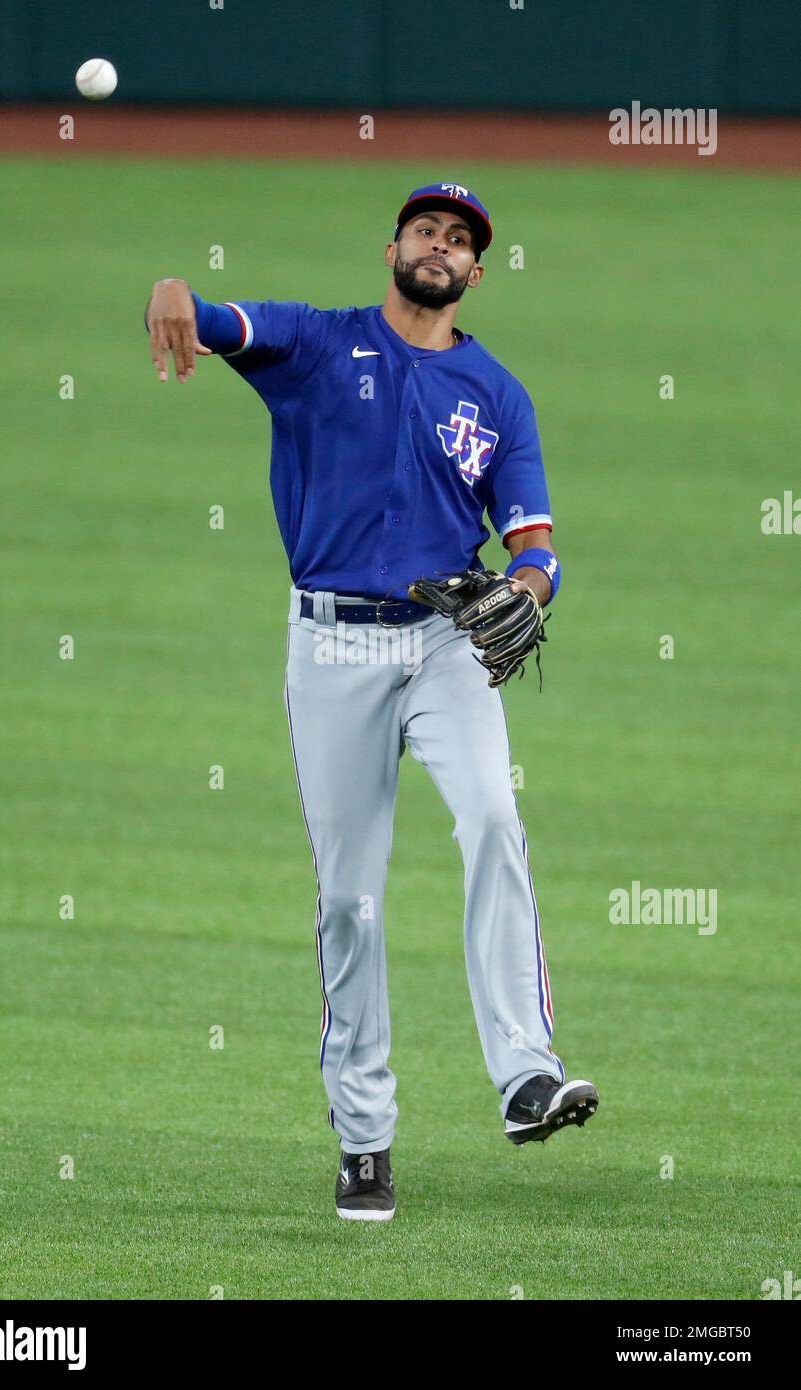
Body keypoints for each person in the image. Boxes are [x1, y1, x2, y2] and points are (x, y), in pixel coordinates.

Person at [145, 182, 599, 1223]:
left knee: (493, 820)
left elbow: (533, 547)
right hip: (332, 646)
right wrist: (173, 290)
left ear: (475, 272)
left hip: (446, 645)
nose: (439, 246)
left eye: (460, 240)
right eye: (426, 229)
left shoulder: (495, 392)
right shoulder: (313, 342)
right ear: (391, 246)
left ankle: (526, 1076)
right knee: (348, 898)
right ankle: (363, 1140)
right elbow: (215, 320)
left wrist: (527, 591)